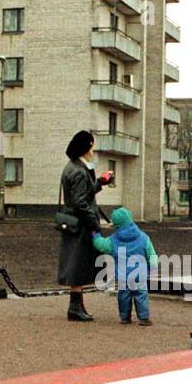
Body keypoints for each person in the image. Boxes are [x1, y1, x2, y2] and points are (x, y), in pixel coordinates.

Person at [56, 131, 113, 322]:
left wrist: (101, 182)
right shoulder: (80, 171)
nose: (93, 149)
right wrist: (95, 224)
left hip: (72, 222)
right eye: (92, 145)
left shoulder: (72, 167)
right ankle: (75, 308)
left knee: (76, 263)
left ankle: (76, 306)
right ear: (87, 147)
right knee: (78, 265)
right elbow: (82, 202)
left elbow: (82, 194)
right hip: (80, 225)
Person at [93, 207, 159, 326]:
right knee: (141, 295)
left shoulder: (113, 240)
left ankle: (125, 317)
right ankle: (143, 318)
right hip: (140, 274)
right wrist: (154, 269)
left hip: (123, 275)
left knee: (123, 296)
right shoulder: (143, 237)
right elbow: (151, 254)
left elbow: (101, 245)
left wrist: (95, 236)